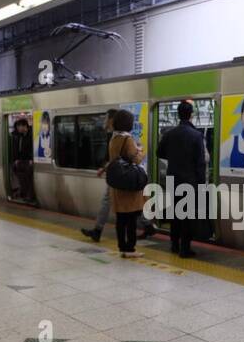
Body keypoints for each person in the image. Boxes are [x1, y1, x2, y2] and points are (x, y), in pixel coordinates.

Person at [82, 110, 156, 243]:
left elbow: (120, 159)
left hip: (121, 177)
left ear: (113, 120)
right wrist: (141, 151)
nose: (105, 121)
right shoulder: (122, 137)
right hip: (123, 176)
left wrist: (105, 169)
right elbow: (130, 158)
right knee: (128, 205)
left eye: (106, 118)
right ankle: (146, 226)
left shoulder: (119, 137)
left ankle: (101, 232)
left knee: (124, 207)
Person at [157, 101, 207, 258]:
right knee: (187, 216)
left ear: (178, 115)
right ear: (191, 115)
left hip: (173, 179)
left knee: (175, 214)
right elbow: (200, 163)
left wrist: (173, 158)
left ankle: (174, 245)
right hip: (190, 181)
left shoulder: (169, 134)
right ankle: (185, 249)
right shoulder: (196, 135)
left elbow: (159, 153)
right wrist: (201, 184)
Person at [108, 109, 146, 258]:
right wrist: (141, 150)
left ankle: (122, 247)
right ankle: (130, 248)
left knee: (121, 219)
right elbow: (136, 159)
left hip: (118, 183)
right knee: (130, 219)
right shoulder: (127, 139)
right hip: (129, 184)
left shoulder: (114, 138)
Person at [11, 118, 37, 205]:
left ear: (25, 126)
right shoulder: (20, 136)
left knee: (29, 179)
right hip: (20, 161)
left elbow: (33, 148)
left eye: (19, 126)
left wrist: (31, 159)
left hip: (28, 161)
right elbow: (18, 149)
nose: (18, 129)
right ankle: (24, 194)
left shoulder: (31, 135)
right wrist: (16, 159)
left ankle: (29, 196)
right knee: (22, 178)